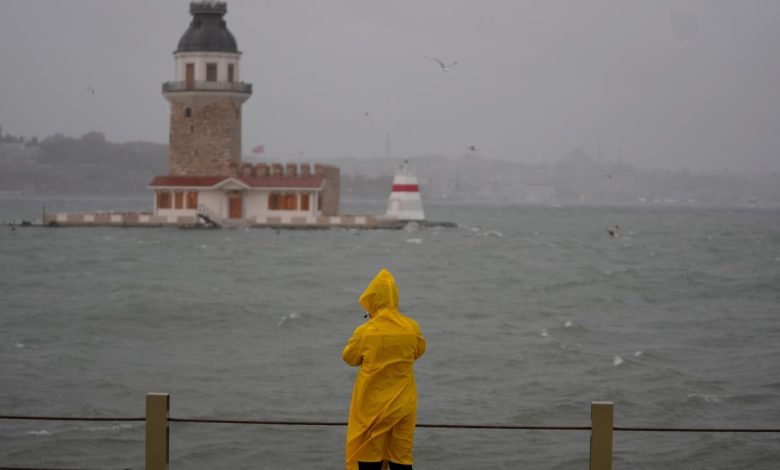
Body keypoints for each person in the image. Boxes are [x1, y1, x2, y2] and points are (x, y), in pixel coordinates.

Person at [342, 268, 426, 470]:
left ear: (372, 301)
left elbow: (349, 358)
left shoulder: (365, 332)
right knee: (401, 457)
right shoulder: (412, 328)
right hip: (403, 404)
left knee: (370, 457)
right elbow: (419, 351)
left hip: (372, 407)